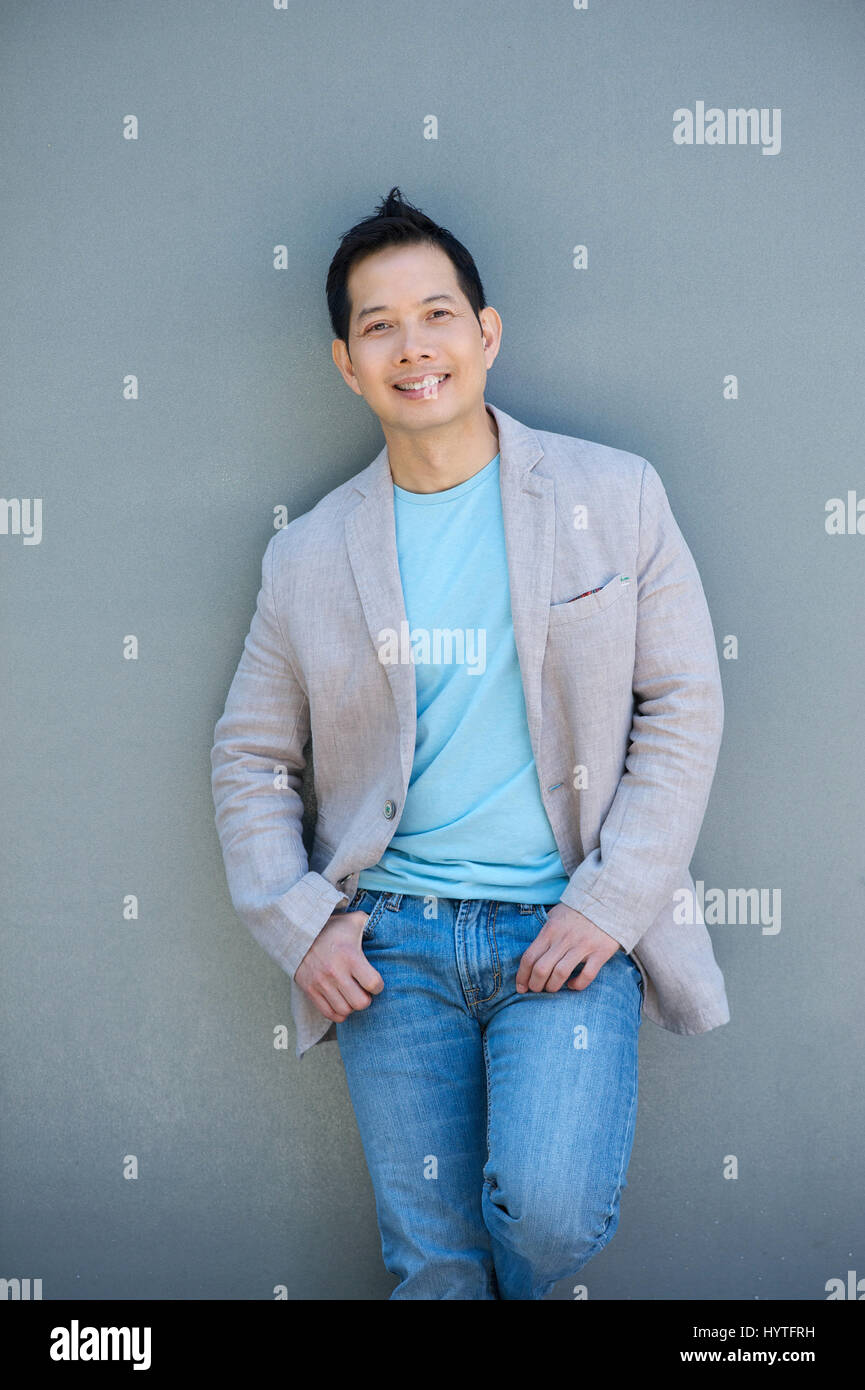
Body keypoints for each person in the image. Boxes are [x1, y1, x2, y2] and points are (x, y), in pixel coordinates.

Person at [210, 186, 729, 1300]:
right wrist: (300, 924)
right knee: (434, 1269)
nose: (413, 346)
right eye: (378, 325)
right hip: (390, 949)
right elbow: (251, 756)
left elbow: (681, 707)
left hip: (567, 928)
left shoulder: (614, 495)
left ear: (485, 335)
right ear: (347, 363)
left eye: (436, 313)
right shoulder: (307, 558)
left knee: (544, 1219)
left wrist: (610, 900)